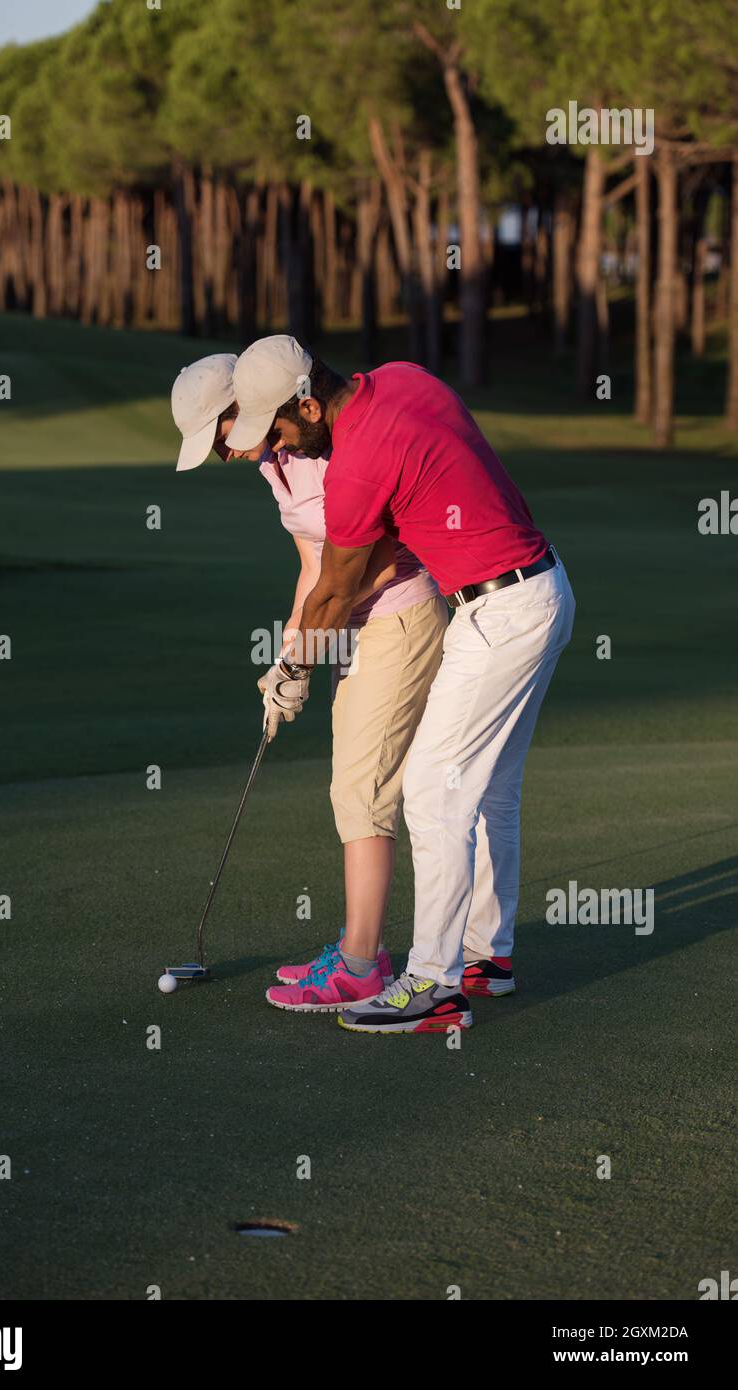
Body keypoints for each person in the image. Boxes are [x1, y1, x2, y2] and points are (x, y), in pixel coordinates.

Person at [227, 336, 575, 1035]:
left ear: (306, 403)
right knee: (490, 791)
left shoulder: (355, 466)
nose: (282, 449)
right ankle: (486, 956)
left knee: (431, 791)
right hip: (544, 584)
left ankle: (434, 985)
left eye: (281, 432)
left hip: (498, 614)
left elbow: (336, 587)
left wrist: (292, 670)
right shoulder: (403, 377)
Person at [171, 353, 447, 1012]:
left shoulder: (320, 450)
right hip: (352, 628)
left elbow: (374, 562)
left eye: (218, 439)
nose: (222, 455)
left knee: (363, 790)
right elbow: (313, 566)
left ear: (243, 413)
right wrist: (289, 655)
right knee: (352, 786)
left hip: (399, 618)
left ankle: (359, 967)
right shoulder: (276, 463)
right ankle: (361, 949)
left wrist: (306, 657)